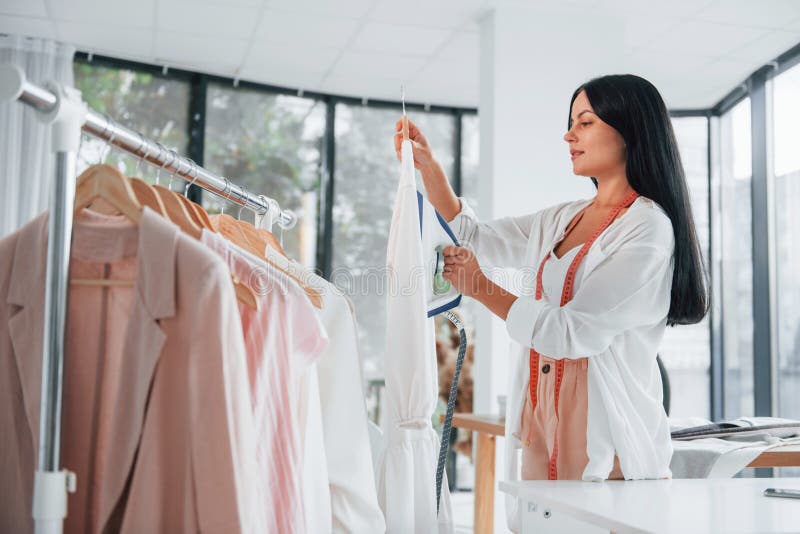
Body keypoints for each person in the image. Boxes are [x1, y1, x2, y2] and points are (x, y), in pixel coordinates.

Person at [393, 74, 709, 486]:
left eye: (585, 122)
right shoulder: (563, 218)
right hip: (543, 426)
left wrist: (480, 287)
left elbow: (570, 332)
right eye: (571, 123)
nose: (568, 135)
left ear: (630, 130)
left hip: (608, 448)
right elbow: (474, 236)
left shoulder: (647, 228)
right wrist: (428, 167)